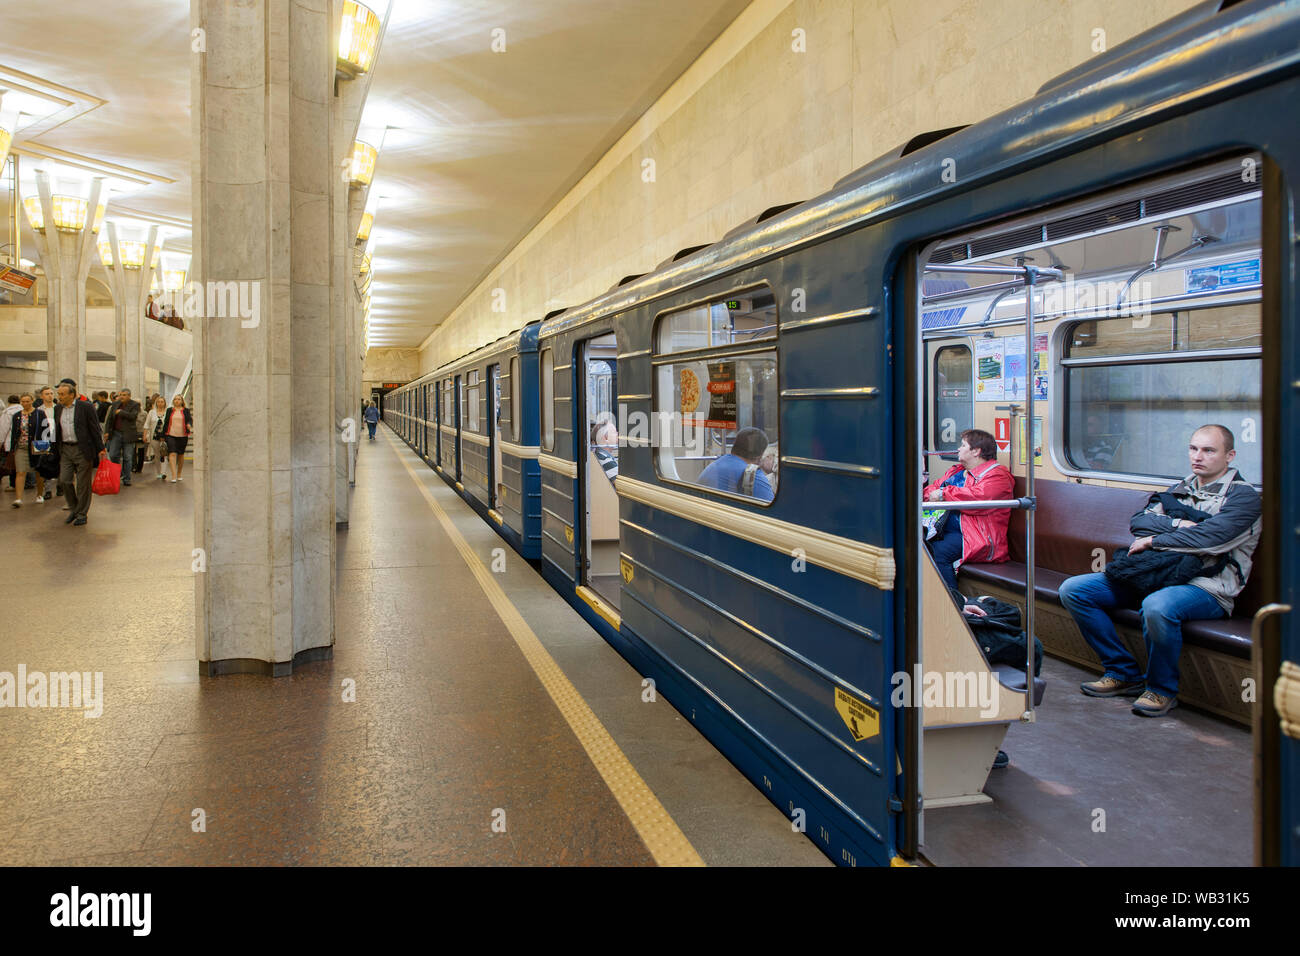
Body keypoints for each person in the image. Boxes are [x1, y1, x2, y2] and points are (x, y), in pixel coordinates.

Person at [1059, 424, 1261, 717]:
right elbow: (1139, 522)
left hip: (1208, 586)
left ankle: (1161, 689)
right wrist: (1180, 525)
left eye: (1208, 450)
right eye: (1193, 449)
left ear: (1229, 455)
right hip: (1158, 574)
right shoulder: (1180, 488)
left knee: (1157, 606)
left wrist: (1156, 539)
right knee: (1075, 590)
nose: (1198, 456)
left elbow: (1211, 539)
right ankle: (1122, 670)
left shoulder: (1243, 498)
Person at [921, 428, 1014, 592]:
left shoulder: (998, 475)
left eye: (963, 445)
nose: (958, 449)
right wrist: (938, 493)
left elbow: (978, 498)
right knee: (915, 544)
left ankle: (952, 603)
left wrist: (944, 494)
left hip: (975, 535)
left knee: (937, 553)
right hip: (940, 528)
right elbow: (929, 491)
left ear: (976, 451)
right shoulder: (956, 471)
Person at [53, 379, 107, 526]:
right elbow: (56, 430)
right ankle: (74, 508)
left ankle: (82, 513)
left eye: (63, 394)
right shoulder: (58, 409)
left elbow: (95, 428)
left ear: (72, 395)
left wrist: (100, 447)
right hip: (65, 449)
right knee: (64, 480)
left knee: (83, 484)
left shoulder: (86, 407)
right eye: (59, 394)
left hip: (82, 449)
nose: (60, 397)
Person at [697, 426, 774, 503]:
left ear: (734, 445)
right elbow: (772, 510)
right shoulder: (753, 475)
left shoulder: (716, 464)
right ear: (759, 456)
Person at [7, 393, 49, 506]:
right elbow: (14, 433)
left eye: (27, 401)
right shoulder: (16, 415)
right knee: (20, 472)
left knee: (38, 472)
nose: (25, 403)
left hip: (37, 446)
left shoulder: (39, 413)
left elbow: (46, 430)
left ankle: (39, 494)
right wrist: (12, 448)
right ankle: (18, 499)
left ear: (32, 401)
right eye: (23, 401)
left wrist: (47, 446)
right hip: (21, 447)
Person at [104, 388, 142, 488]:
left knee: (127, 457)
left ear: (129, 396)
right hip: (115, 433)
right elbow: (109, 419)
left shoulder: (135, 405)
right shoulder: (115, 404)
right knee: (112, 455)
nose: (122, 397)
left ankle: (127, 478)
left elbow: (133, 416)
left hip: (128, 434)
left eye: (124, 395)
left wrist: (121, 412)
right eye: (121, 394)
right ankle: (119, 472)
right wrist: (107, 432)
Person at [34, 385, 59, 500]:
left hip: (57, 438)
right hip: (44, 438)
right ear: (42, 396)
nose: (50, 396)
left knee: (60, 461)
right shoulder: (39, 410)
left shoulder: (58, 408)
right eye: (47, 394)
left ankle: (60, 486)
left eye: (51, 393)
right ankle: (47, 489)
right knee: (45, 463)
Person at [163, 394, 193, 482]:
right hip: (170, 435)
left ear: (182, 401)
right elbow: (166, 422)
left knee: (180, 455)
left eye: (179, 399)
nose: (177, 401)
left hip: (183, 435)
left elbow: (189, 420)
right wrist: (162, 435)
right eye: (175, 399)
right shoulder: (169, 410)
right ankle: (173, 475)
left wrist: (189, 424)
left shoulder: (186, 410)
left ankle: (179, 473)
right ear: (173, 401)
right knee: (172, 453)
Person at [142, 395, 170, 480]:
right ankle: (158, 472)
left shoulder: (168, 412)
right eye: (158, 402)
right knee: (157, 455)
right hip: (154, 436)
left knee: (164, 453)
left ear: (164, 403)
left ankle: (164, 472)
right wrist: (144, 435)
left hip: (165, 436)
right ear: (156, 403)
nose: (160, 403)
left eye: (162, 402)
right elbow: (147, 424)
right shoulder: (151, 412)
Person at [590, 416, 618, 483]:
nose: (617, 434)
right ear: (606, 438)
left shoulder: (599, 456)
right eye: (614, 432)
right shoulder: (606, 461)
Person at [1, 394, 20, 492]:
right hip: (22, 442)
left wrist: (1, 442)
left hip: (10, 442)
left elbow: (3, 429)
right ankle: (28, 482)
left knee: (12, 464)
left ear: (9, 402)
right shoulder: (23, 409)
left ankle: (13, 484)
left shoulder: (7, 412)